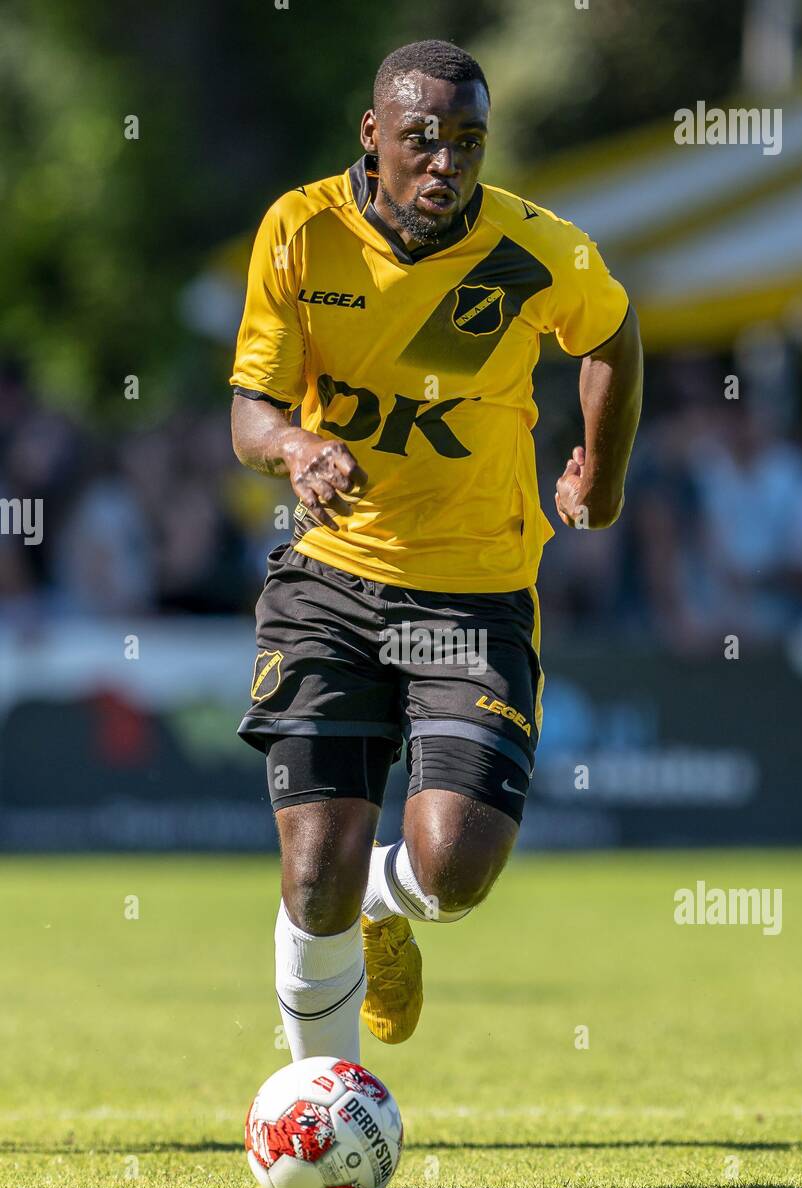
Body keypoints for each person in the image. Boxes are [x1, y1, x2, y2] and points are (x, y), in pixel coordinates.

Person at [229, 39, 642, 1064]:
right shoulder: (300, 229)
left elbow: (612, 335)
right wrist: (292, 447)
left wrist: (603, 473)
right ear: (373, 136)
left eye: (467, 141)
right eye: (423, 139)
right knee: (308, 875)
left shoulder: (528, 249)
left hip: (473, 597)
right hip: (327, 578)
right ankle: (322, 1104)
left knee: (453, 868)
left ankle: (388, 899)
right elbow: (251, 410)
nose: (446, 162)